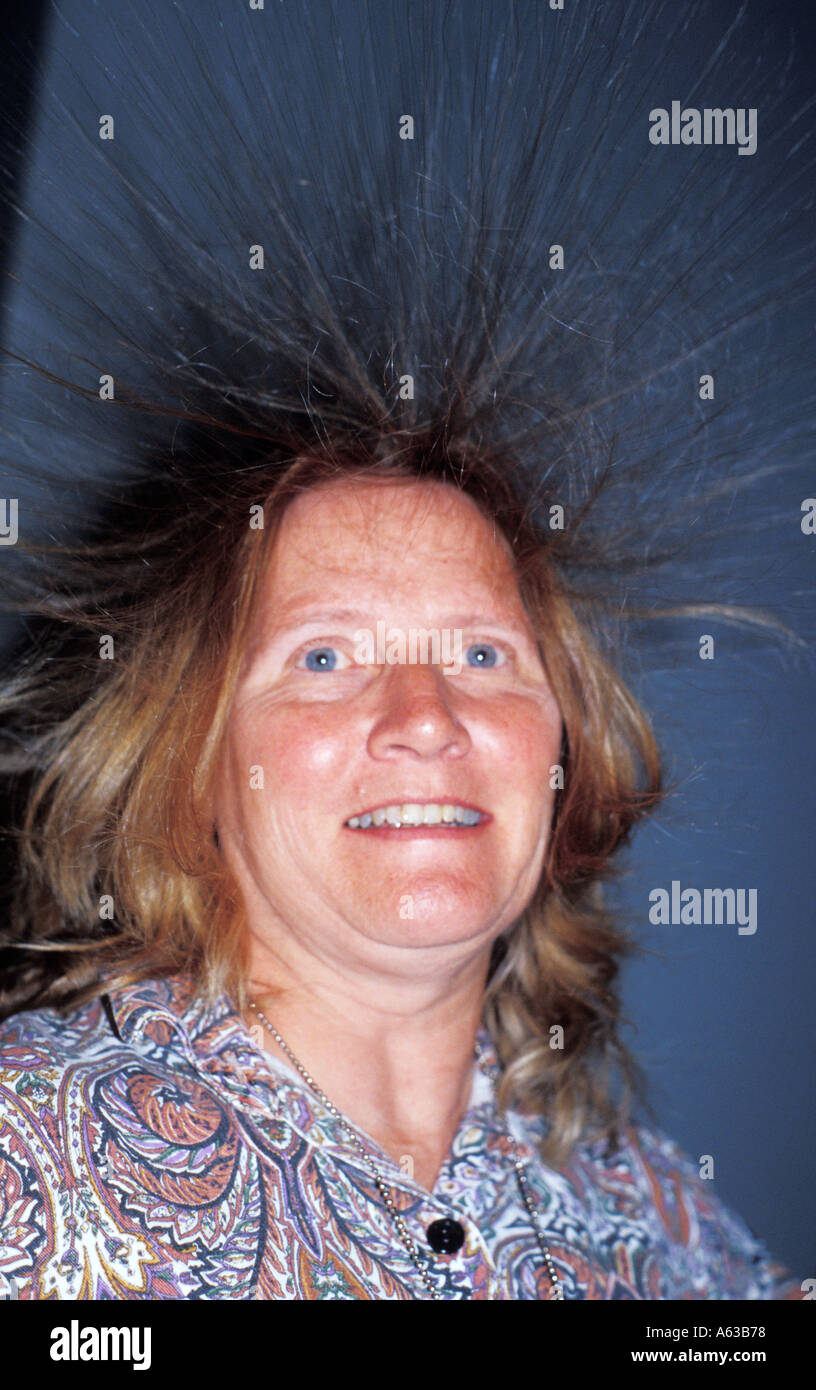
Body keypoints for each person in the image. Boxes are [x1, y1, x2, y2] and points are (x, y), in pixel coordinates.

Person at [0, 0, 809, 1300]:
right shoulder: (26, 1155)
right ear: (189, 763)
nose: (428, 713)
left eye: (486, 655)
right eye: (324, 658)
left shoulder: (671, 1231)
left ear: (564, 753)